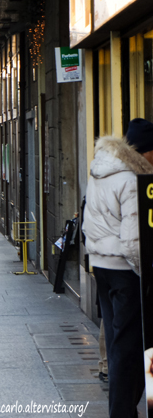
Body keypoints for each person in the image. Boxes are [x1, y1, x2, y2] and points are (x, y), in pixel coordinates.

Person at [83, 118, 153, 418]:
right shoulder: (130, 179)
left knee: (117, 343)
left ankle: (125, 409)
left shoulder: (102, 169)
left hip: (101, 265)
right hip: (125, 270)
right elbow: (133, 240)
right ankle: (122, 412)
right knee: (128, 349)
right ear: (145, 152)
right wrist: (145, 272)